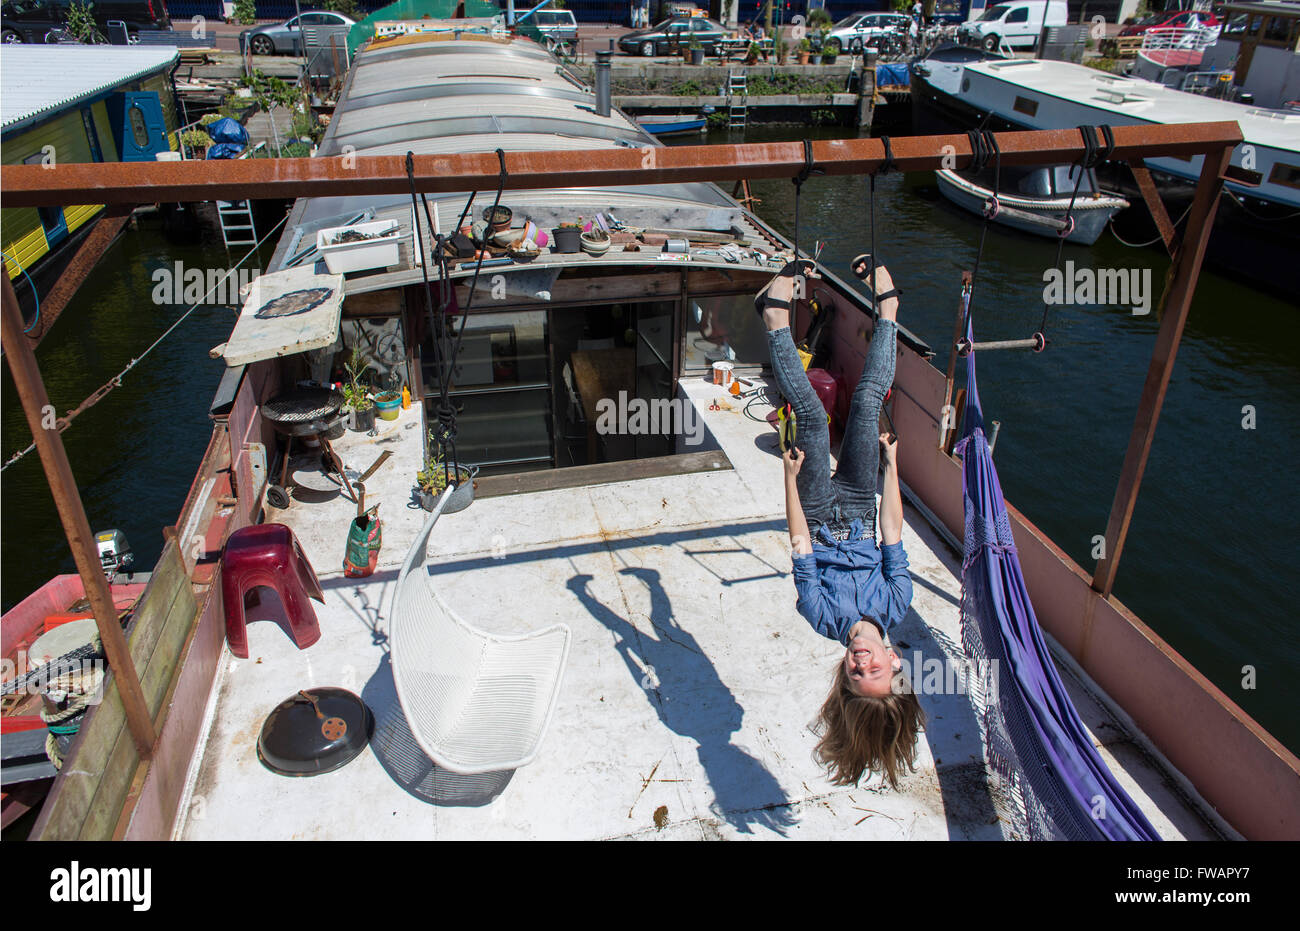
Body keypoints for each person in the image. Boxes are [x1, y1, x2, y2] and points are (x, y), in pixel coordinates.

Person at [756, 258, 923, 789]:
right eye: (874, 671)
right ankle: (889, 311)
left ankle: (776, 318)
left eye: (855, 676)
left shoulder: (820, 615)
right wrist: (891, 468)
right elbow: (892, 534)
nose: (861, 664)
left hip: (818, 513)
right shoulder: (897, 602)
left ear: (843, 677)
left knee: (808, 412)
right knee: (869, 400)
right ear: (894, 661)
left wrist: (789, 476)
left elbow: (800, 542)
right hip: (857, 505)